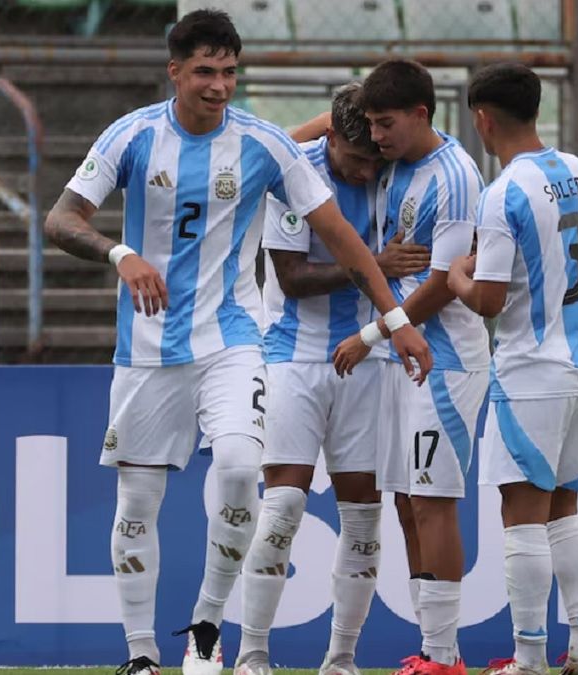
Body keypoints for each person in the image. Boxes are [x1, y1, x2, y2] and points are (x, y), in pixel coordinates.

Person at [42, 11, 431, 675]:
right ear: (175, 71)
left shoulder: (264, 144)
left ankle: (204, 632)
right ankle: (140, 655)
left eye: (228, 72)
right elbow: (61, 218)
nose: (219, 85)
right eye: (205, 72)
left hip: (233, 340)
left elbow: (340, 235)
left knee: (235, 469)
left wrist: (397, 321)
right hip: (147, 347)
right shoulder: (133, 135)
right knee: (137, 503)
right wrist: (121, 254)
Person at [233, 83, 430, 675]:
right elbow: (291, 277)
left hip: (368, 362)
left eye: (376, 155)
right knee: (284, 507)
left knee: (364, 520)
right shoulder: (299, 174)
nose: (369, 167)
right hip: (294, 357)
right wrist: (373, 268)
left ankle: (341, 658)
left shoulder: (395, 173)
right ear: (331, 138)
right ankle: (252, 653)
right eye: (357, 157)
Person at [445, 63, 578, 675]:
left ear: (482, 119)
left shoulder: (502, 192)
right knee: (564, 509)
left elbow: (487, 301)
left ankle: (530, 657)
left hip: (531, 371)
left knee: (523, 519)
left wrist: (456, 272)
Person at [332, 59, 489, 675]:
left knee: (432, 501)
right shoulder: (395, 163)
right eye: (369, 124)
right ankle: (432, 647)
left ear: (422, 114)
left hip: (443, 358)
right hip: (405, 354)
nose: (376, 136)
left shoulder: (455, 176)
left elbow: (449, 283)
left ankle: (443, 656)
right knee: (406, 501)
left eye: (386, 122)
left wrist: (373, 331)